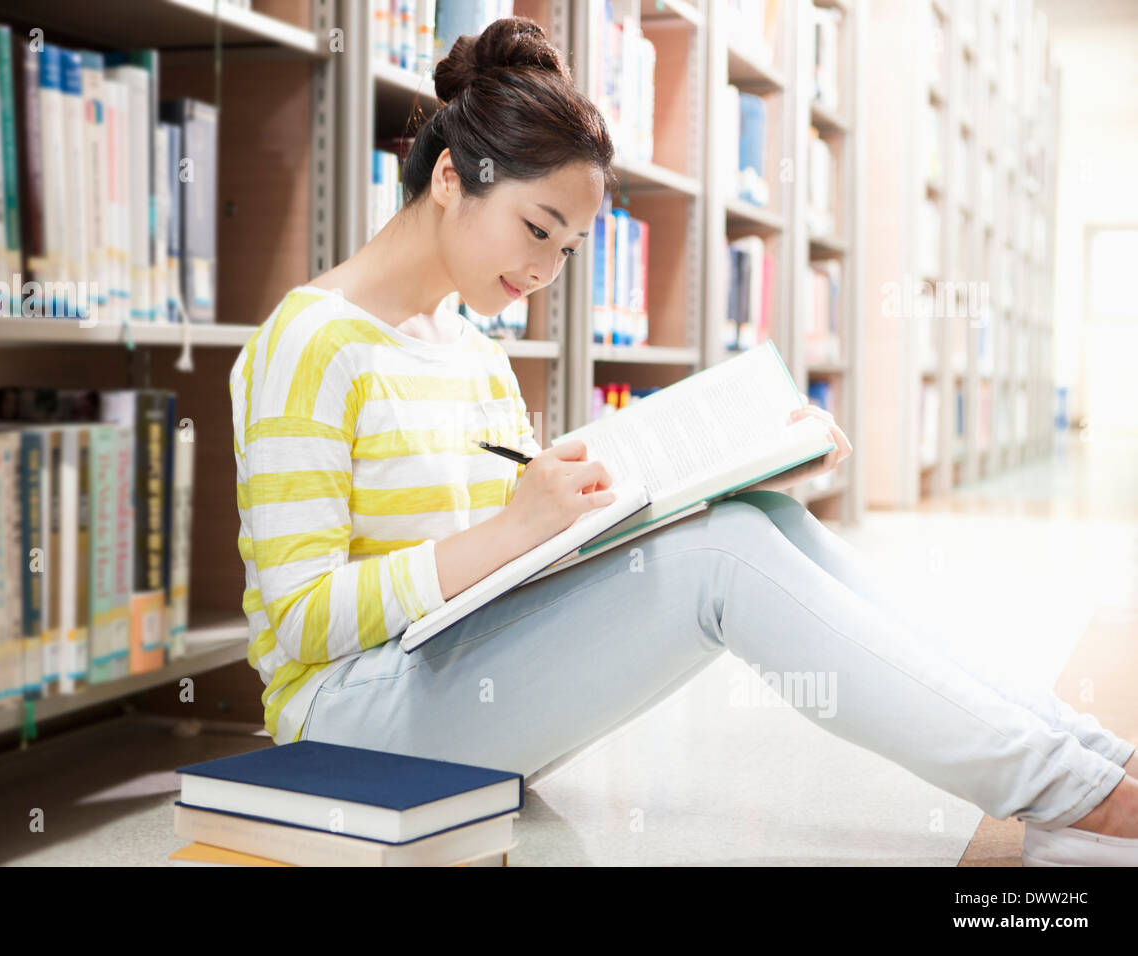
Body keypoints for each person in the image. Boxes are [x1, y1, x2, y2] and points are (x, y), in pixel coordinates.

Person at [228, 17, 1138, 865]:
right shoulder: (312, 344)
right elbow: (304, 615)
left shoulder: (468, 347)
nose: (544, 271)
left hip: (449, 676)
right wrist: (511, 532)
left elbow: (510, 564)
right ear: (451, 180)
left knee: (755, 516)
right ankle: (1074, 799)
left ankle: (1090, 760)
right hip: (342, 727)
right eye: (537, 229)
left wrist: (729, 471)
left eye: (571, 248)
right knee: (724, 558)